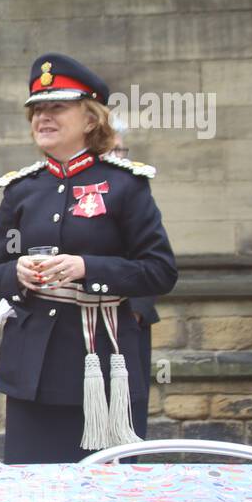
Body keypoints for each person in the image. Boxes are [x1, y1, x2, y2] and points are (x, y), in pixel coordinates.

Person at [0, 54, 177, 463]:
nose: (43, 117)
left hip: (105, 367)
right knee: (31, 491)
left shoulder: (126, 186)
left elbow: (160, 271)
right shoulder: (21, 190)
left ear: (91, 119)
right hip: (33, 369)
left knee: (108, 494)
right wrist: (16, 273)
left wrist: (87, 268)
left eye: (56, 107)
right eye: (36, 109)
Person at [112, 122, 161, 388]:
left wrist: (136, 312)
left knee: (128, 405)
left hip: (127, 317)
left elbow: (153, 258)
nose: (119, 157)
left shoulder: (134, 189)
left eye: (121, 150)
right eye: (112, 150)